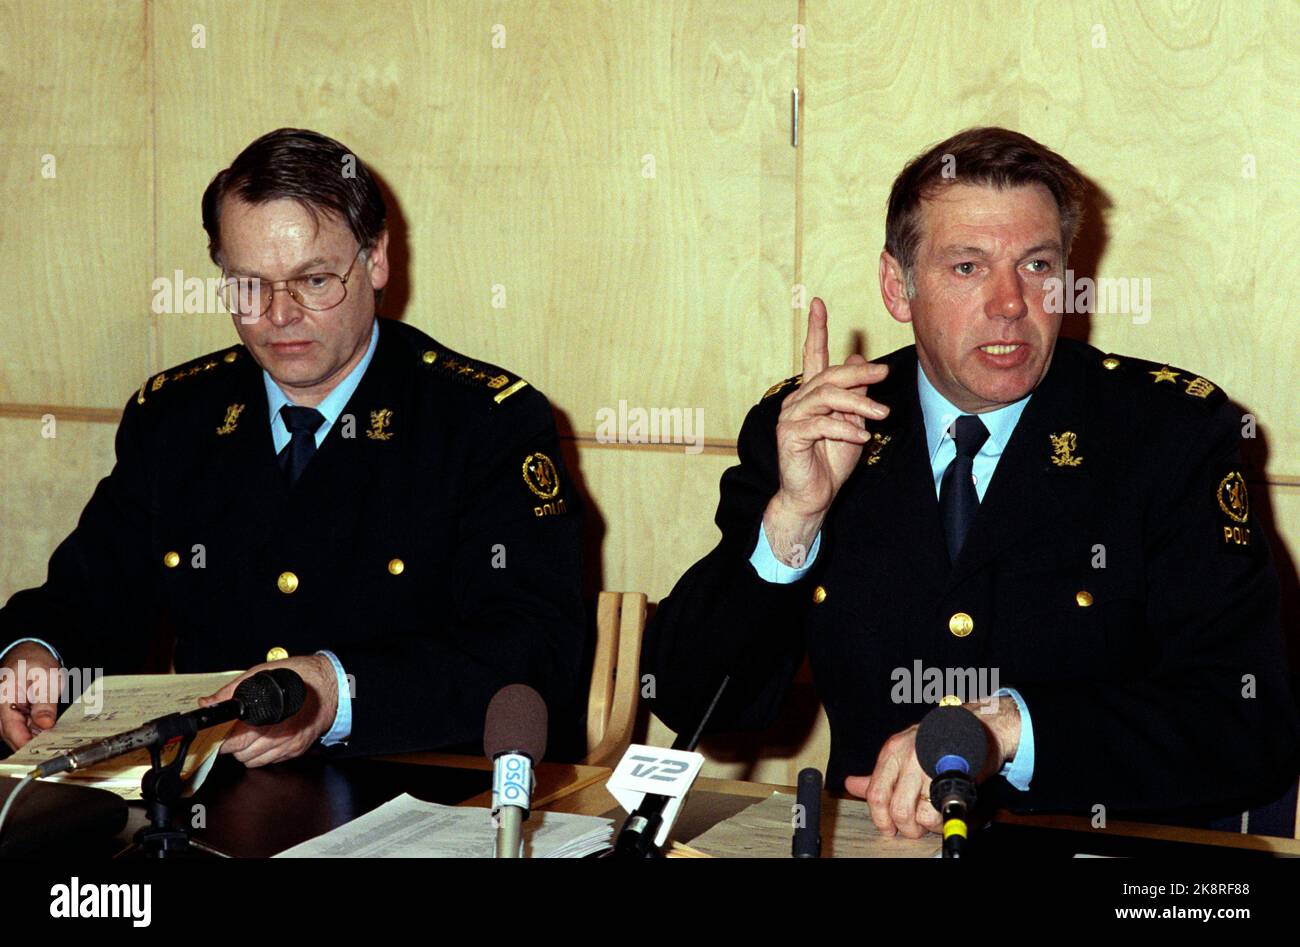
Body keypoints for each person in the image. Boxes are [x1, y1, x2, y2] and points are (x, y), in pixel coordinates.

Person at [643, 126, 1299, 837]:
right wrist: (795, 519)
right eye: (967, 267)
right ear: (899, 285)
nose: (1011, 302)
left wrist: (1008, 730)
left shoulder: (1166, 435)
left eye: (1038, 265)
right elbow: (693, 697)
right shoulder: (823, 423)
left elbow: (1249, 718)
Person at [0, 128, 585, 766]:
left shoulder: (481, 422)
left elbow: (536, 644)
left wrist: (339, 691)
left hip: (415, 784)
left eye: (313, 281)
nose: (279, 315)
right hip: (208, 790)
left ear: (377, 258)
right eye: (249, 285)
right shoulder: (177, 417)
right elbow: (92, 594)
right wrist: (37, 654)